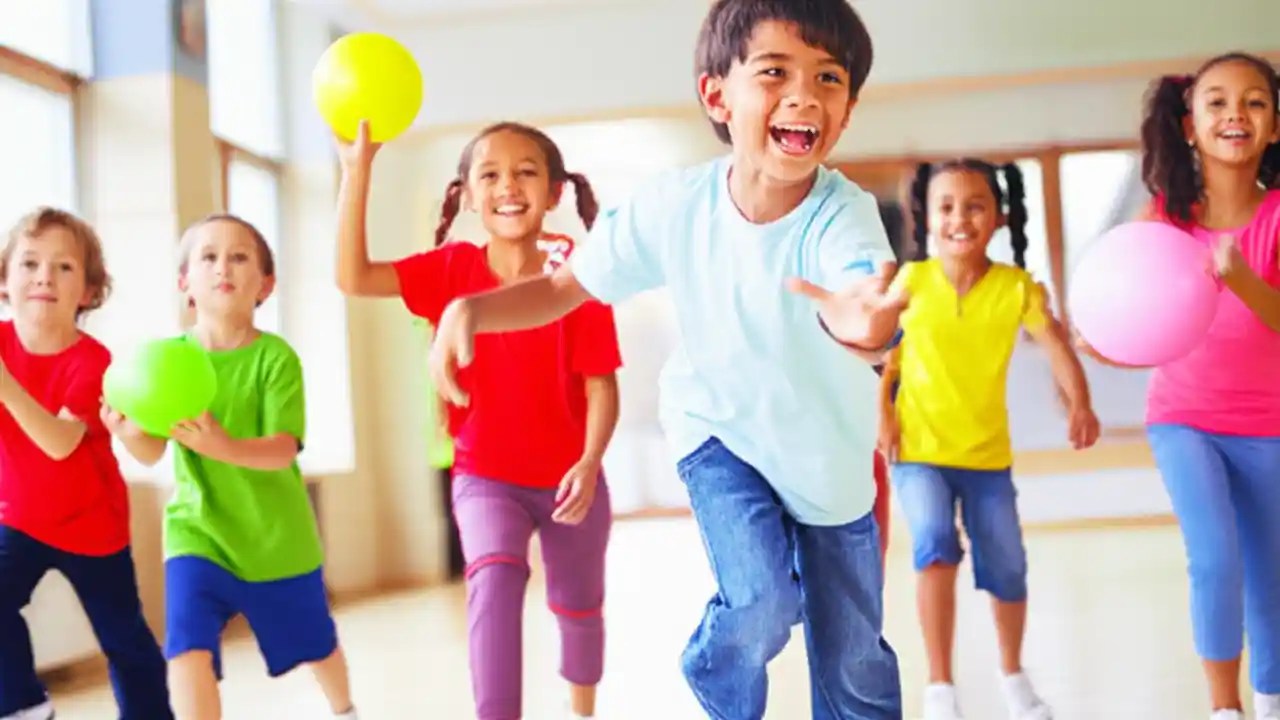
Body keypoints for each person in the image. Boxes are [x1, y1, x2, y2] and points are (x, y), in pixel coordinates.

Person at [427, 1, 908, 717]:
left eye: (829, 78)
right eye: (775, 71)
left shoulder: (845, 214)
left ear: (846, 112)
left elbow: (863, 299)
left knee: (855, 658)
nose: (805, 93)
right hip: (721, 437)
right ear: (717, 93)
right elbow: (565, 288)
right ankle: (717, 674)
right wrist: (471, 310)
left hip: (829, 462)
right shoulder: (675, 206)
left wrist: (865, 326)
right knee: (760, 603)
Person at [334, 120, 621, 720]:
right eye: (488, 174)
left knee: (579, 607)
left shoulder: (578, 269)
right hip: (486, 475)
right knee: (492, 581)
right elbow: (353, 277)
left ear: (553, 191)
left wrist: (591, 462)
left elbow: (601, 385)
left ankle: (583, 709)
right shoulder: (448, 270)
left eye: (525, 172)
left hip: (572, 477)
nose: (507, 185)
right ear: (466, 195)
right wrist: (356, 172)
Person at [1080, 52, 1280, 720]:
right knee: (1216, 560)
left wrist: (1244, 281)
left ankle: (1270, 699)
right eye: (1217, 101)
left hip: (1271, 422)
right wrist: (1102, 344)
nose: (1236, 114)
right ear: (1189, 124)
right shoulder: (1162, 221)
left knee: (1270, 576)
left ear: (1275, 126)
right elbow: (1133, 320)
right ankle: (1225, 709)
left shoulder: (1278, 216)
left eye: (1255, 102)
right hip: (1185, 418)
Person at [106, 215, 357, 720]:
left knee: (315, 643)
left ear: (266, 284)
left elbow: (283, 449)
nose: (223, 266)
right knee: (186, 645)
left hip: (276, 539)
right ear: (185, 284)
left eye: (240, 257)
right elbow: (154, 451)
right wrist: (127, 432)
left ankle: (345, 709)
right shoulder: (166, 360)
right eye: (208, 256)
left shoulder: (275, 359)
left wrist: (221, 445)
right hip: (197, 532)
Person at [879, 160, 1099, 720]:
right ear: (927, 218)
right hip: (920, 451)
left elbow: (1053, 345)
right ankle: (940, 688)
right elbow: (888, 362)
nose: (960, 218)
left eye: (975, 205)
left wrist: (1081, 403)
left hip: (985, 455)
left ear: (998, 217)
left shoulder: (1015, 287)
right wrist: (885, 417)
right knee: (933, 546)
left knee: (1005, 567)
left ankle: (1012, 673)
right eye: (947, 206)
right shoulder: (911, 282)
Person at [0, 207, 173, 720]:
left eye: (64, 267)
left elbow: (58, 442)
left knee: (124, 640)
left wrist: (6, 387)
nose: (44, 277)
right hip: (20, 518)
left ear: (90, 292)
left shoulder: (91, 362)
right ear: (5, 282)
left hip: (92, 526)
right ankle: (23, 706)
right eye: (29, 263)